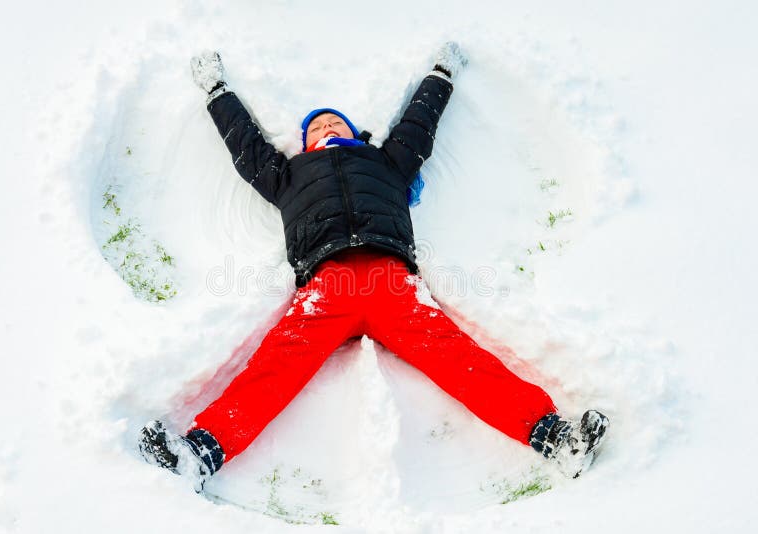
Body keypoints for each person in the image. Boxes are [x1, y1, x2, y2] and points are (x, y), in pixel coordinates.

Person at [138, 43, 609, 491]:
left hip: (392, 284)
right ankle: (199, 454)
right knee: (273, 370)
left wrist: (439, 75)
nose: (325, 129)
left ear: (351, 131)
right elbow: (246, 146)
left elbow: (419, 125)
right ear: (304, 142)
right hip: (327, 287)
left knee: (460, 359)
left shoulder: (385, 162)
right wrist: (218, 91)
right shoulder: (288, 176)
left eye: (333, 123)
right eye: (316, 127)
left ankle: (555, 439)